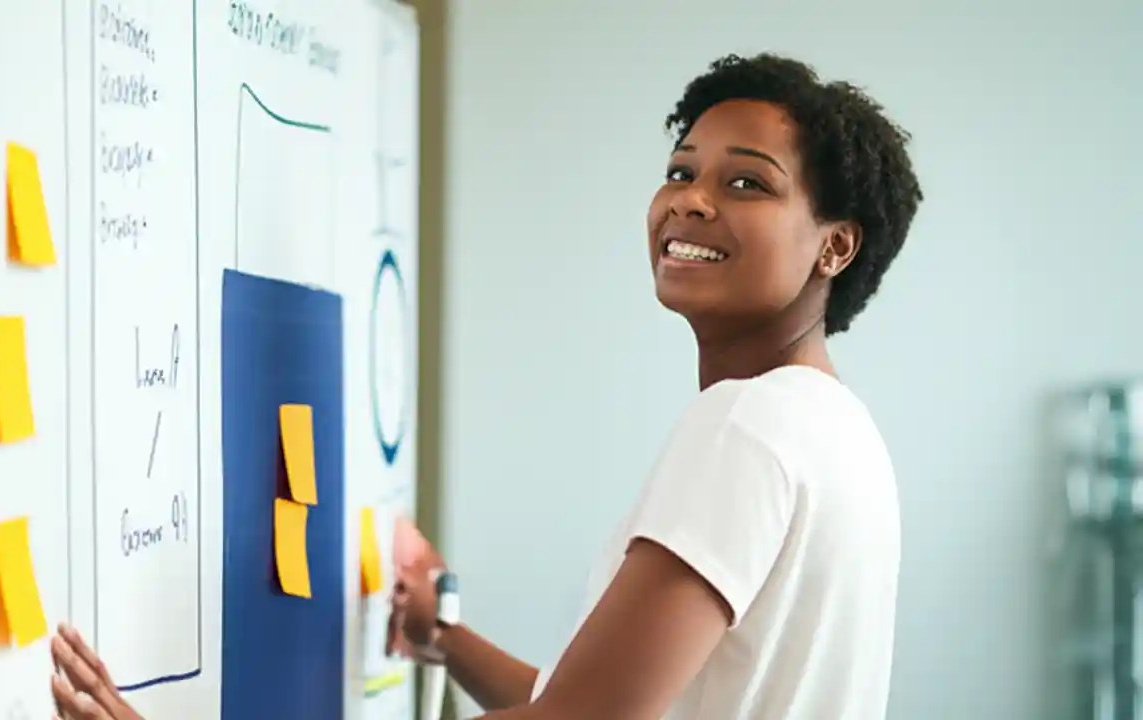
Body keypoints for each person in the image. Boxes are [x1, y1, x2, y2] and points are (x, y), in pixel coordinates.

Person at [50, 52, 922, 719]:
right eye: (680, 170)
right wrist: (445, 638)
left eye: (745, 183)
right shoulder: (838, 431)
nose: (690, 200)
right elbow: (602, 698)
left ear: (834, 248)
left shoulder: (750, 424)